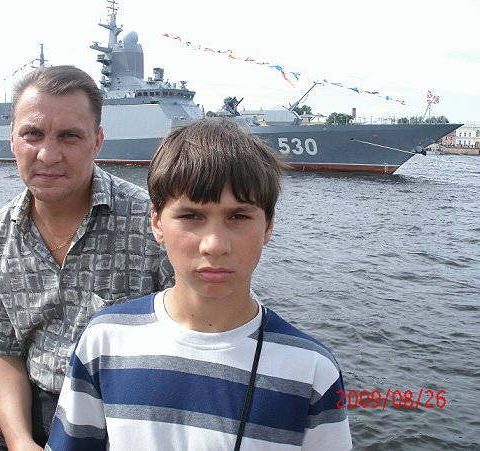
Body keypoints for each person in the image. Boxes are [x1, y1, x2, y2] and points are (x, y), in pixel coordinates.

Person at [45, 119, 352, 450]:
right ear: (156, 223)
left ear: (268, 226)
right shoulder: (103, 342)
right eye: (191, 216)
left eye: (238, 217)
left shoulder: (313, 372)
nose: (214, 245)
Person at [0, 65, 174, 450]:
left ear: (97, 142)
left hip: (130, 411)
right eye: (33, 134)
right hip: (36, 403)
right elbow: (0, 349)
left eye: (69, 136)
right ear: (12, 139)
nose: (48, 154)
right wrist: (20, 441)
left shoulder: (152, 225)